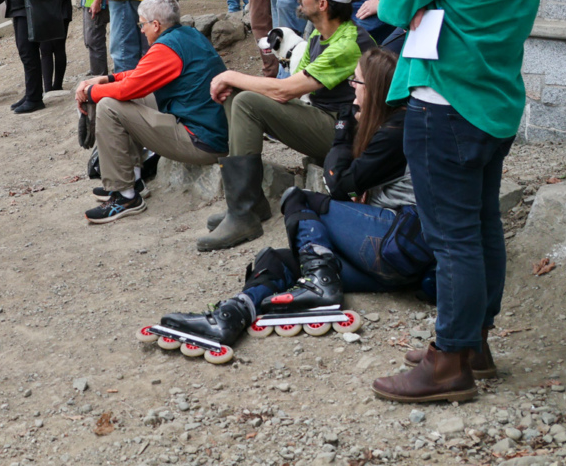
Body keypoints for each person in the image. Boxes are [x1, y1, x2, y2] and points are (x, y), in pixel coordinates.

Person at [372, 0, 550, 403]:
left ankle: (449, 362)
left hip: (445, 100)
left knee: (452, 238)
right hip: (495, 95)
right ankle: (474, 343)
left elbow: (394, 2)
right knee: (480, 226)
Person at [156, 48, 434, 352]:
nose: (352, 88)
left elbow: (338, 184)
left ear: (375, 89)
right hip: (389, 256)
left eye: (357, 82)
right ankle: (234, 313)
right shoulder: (382, 124)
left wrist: (343, 129)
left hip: (403, 239)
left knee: (298, 199)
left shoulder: (398, 127)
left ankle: (320, 283)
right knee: (276, 259)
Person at [201, 0, 375, 252]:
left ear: (322, 4)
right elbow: (286, 88)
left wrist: (229, 74)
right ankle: (249, 203)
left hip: (348, 134)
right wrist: (235, 82)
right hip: (328, 122)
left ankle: (243, 215)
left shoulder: (348, 44)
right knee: (238, 94)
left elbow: (285, 91)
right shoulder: (319, 36)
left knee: (246, 100)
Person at [74, 0, 228, 224]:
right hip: (210, 131)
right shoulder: (187, 34)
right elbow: (141, 75)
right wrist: (108, 79)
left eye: (142, 24)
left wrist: (90, 93)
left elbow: (128, 89)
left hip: (202, 142)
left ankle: (125, 196)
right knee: (130, 97)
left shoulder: (166, 47)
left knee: (109, 106)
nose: (142, 30)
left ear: (155, 25)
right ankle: (134, 180)